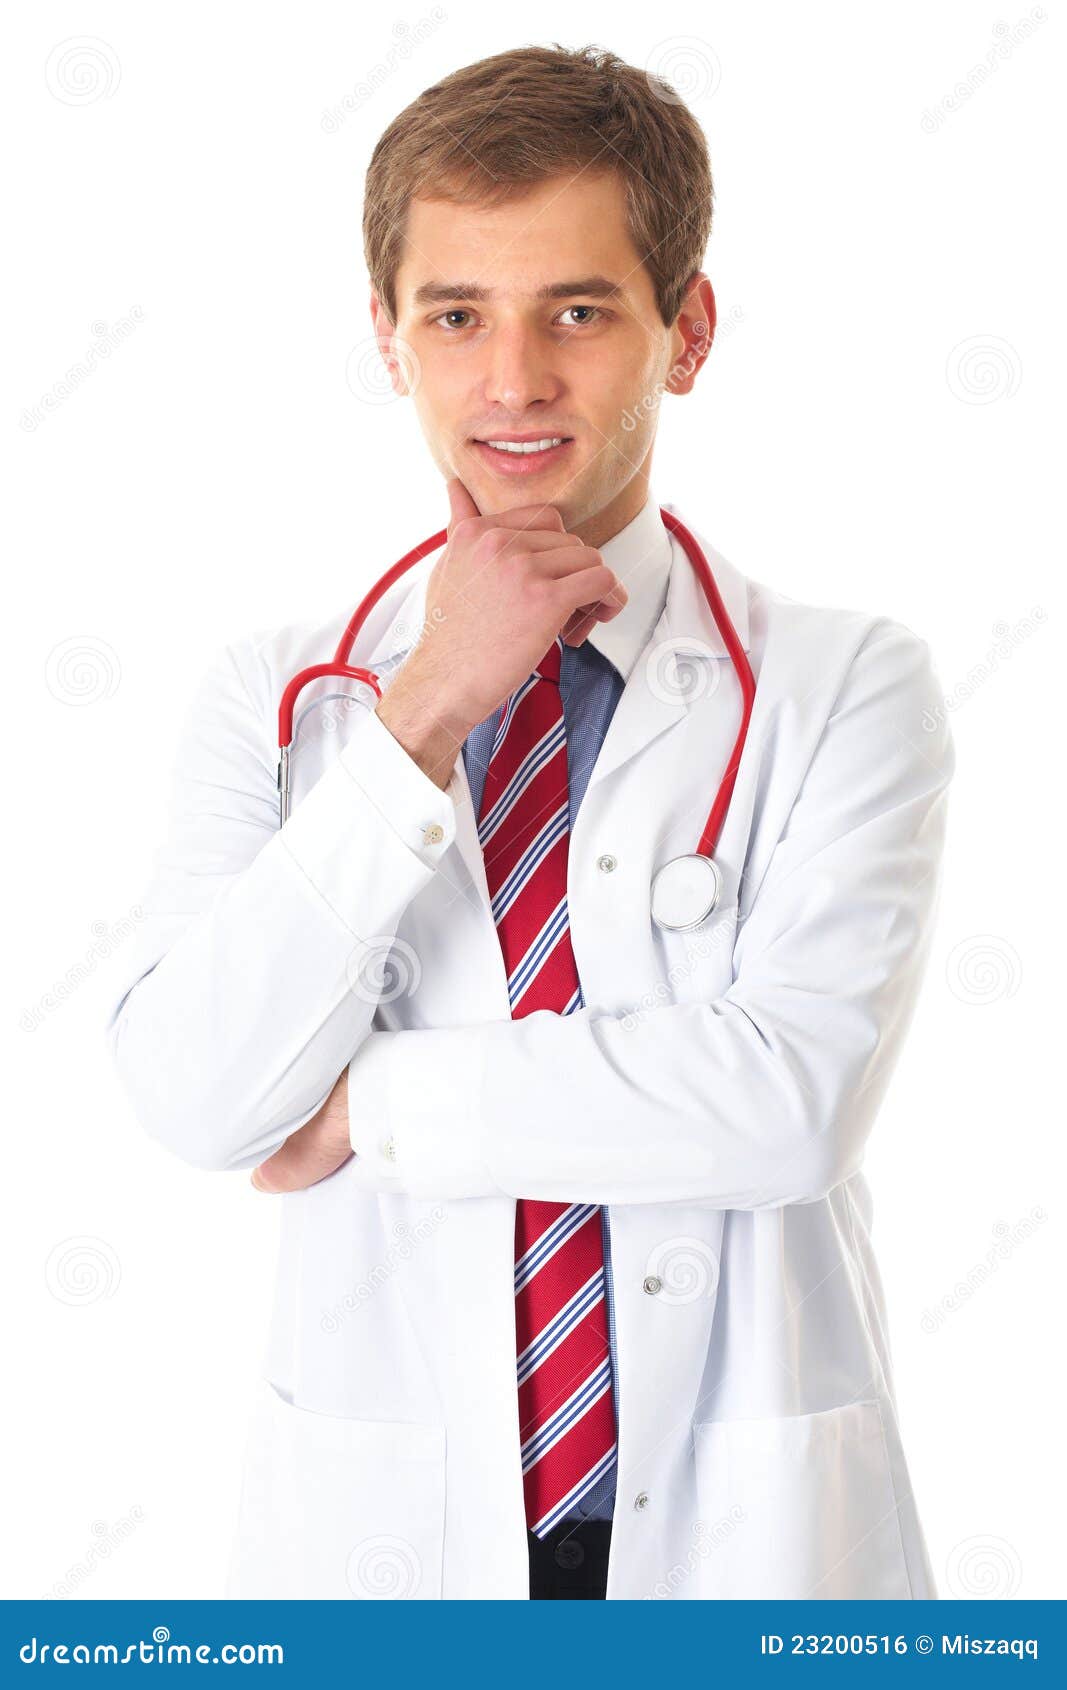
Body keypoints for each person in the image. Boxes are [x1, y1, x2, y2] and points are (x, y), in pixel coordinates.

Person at [106, 43, 955, 1601]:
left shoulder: (847, 686)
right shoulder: (281, 702)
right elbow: (192, 1090)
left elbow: (787, 1099)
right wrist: (425, 710)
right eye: (456, 316)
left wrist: (365, 1107)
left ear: (684, 329)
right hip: (387, 1545)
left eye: (578, 309)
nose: (512, 380)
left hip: (750, 1553)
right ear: (387, 337)